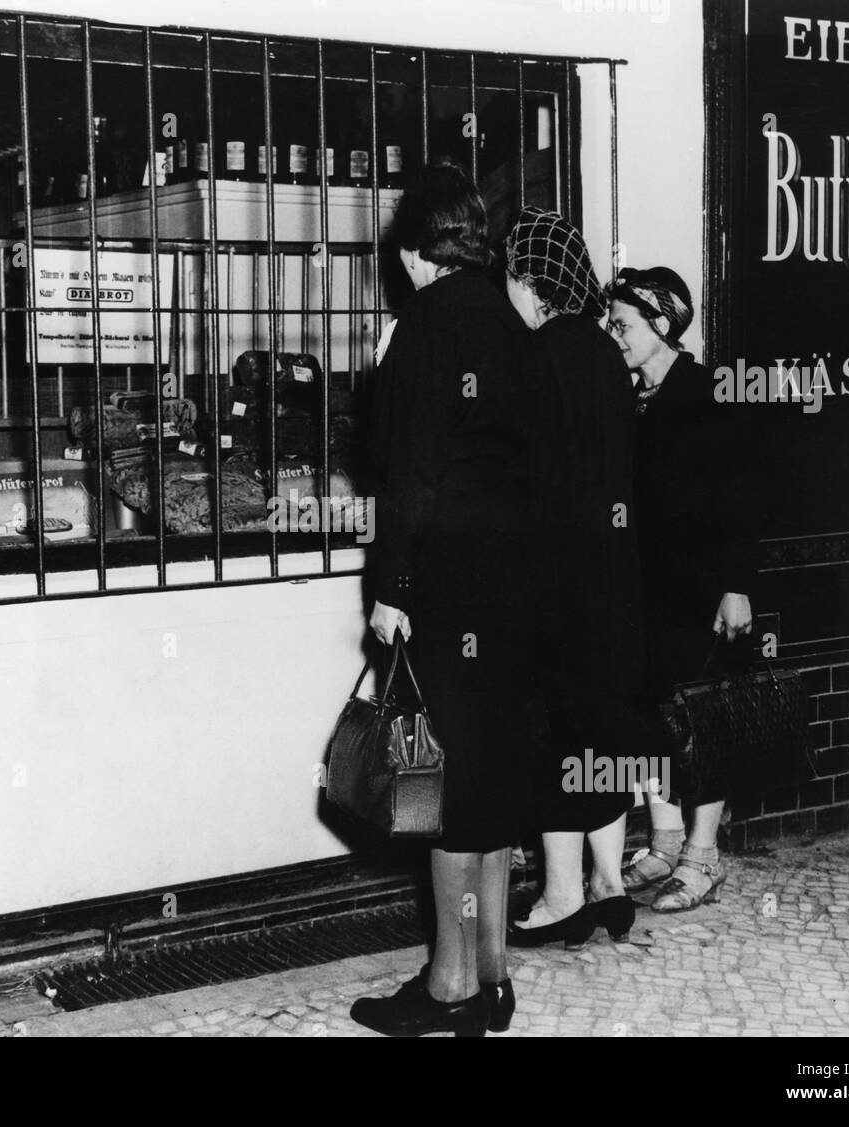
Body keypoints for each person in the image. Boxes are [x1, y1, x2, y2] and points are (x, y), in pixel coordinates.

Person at [349, 160, 533, 1037]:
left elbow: (410, 472)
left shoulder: (425, 324)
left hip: (445, 590)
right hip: (509, 591)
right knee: (487, 780)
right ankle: (492, 972)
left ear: (421, 252)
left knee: (444, 787)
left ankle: (452, 984)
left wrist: (392, 588)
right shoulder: (509, 316)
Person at [503, 208, 660, 949]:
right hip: (611, 577)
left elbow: (520, 482)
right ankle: (610, 882)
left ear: (533, 286)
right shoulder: (605, 355)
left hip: (554, 582)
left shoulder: (531, 359)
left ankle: (564, 894)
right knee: (600, 731)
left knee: (552, 735)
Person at [606, 266, 760, 911]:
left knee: (703, 722)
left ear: (661, 326)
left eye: (624, 325)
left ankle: (703, 857)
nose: (613, 335)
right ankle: (665, 844)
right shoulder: (628, 395)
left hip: (698, 590)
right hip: (644, 589)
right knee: (651, 716)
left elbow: (740, 499)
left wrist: (736, 587)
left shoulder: (704, 394)